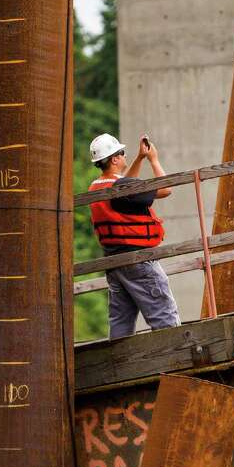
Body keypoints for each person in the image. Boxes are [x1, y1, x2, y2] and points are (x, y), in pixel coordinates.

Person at [88, 132, 180, 337]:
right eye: (122, 153)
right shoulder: (120, 187)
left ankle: (119, 357)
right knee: (164, 314)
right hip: (138, 261)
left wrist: (139, 158)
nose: (125, 155)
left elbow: (125, 185)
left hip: (114, 263)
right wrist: (153, 159)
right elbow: (166, 189)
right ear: (114, 159)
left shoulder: (96, 187)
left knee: (121, 322)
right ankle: (176, 354)